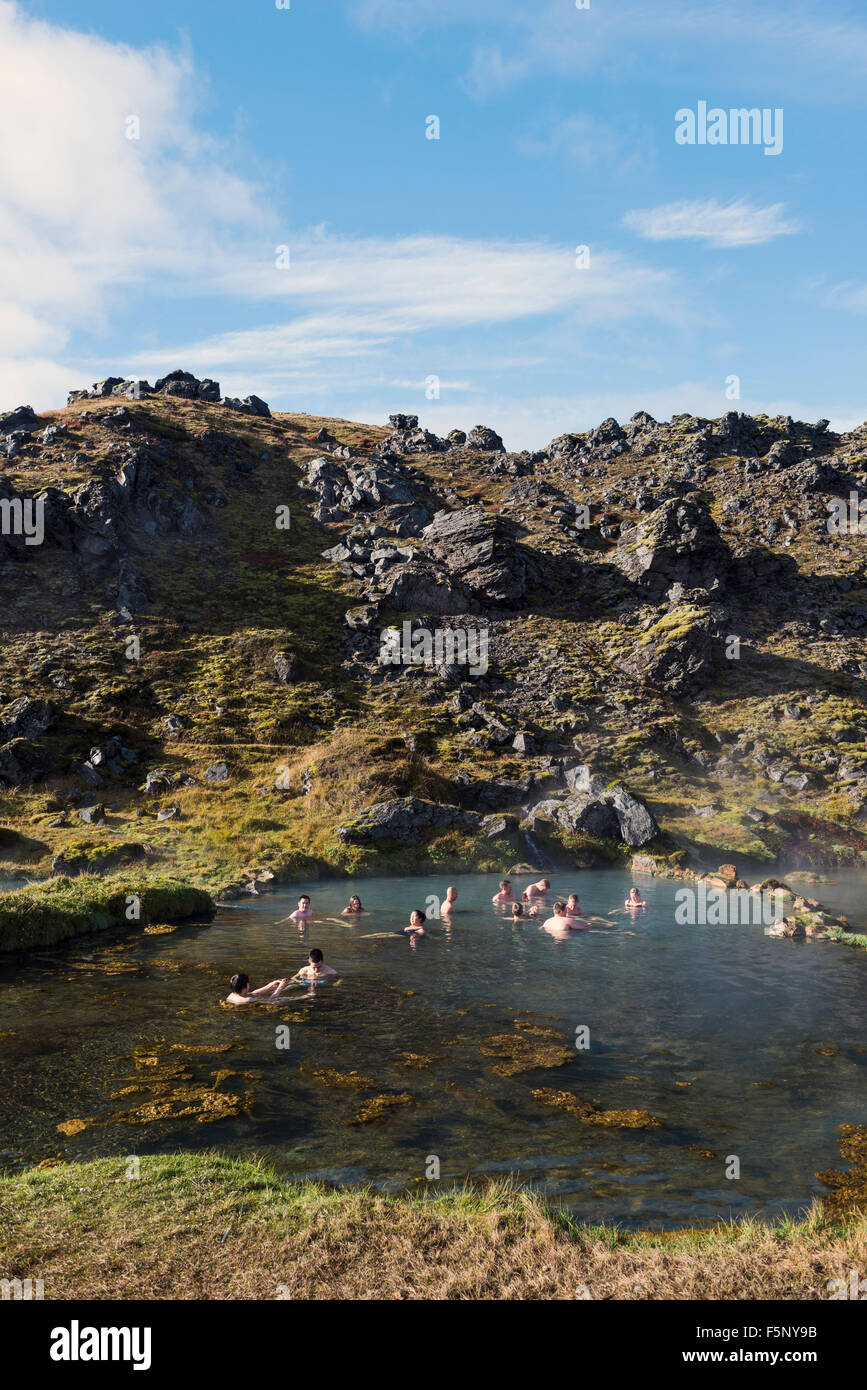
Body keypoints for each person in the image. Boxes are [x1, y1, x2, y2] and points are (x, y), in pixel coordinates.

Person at [225, 972, 290, 1005]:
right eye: (248, 983)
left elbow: (253, 993)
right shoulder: (248, 1000)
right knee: (282, 1000)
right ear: (244, 987)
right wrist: (280, 988)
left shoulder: (232, 995)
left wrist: (271, 984)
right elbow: (269, 999)